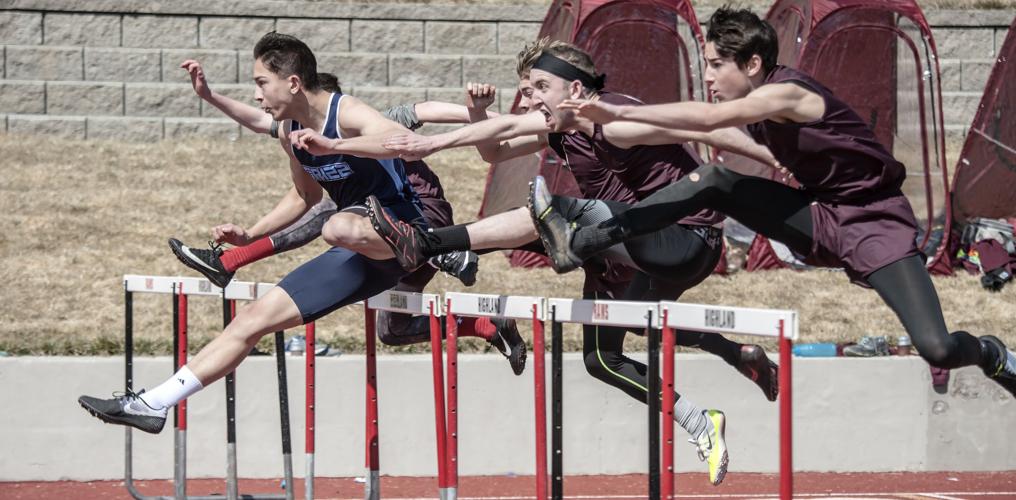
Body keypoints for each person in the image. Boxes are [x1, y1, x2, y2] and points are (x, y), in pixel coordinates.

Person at [338, 38, 785, 485]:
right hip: (615, 242)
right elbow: (494, 147)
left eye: (536, 89)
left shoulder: (615, 120)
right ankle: (705, 412)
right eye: (525, 90)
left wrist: (776, 161)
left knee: (547, 213)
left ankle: (430, 243)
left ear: (573, 89)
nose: (527, 100)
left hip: (677, 237)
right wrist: (473, 113)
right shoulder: (557, 126)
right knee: (603, 358)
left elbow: (706, 126)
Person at [530, 7, 1016, 399]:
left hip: (874, 223)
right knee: (716, 180)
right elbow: (692, 127)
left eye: (716, 64)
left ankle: (992, 353)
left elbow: (712, 118)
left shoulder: (785, 93)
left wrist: (612, 109)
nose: (709, 75)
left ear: (753, 64)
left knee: (937, 346)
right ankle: (596, 235)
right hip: (818, 214)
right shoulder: (763, 99)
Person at [76, 33, 525, 439]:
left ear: (292, 83)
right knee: (251, 319)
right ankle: (153, 403)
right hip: (366, 253)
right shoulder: (291, 133)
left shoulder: (343, 111)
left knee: (337, 225)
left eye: (261, 82)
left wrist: (335, 145)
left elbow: (397, 138)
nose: (257, 93)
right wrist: (248, 232)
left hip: (410, 222)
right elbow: (303, 196)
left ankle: (434, 250)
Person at [167, 60, 523, 365]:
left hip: (420, 213)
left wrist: (502, 120)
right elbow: (262, 123)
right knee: (392, 330)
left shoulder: (368, 122)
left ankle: (443, 251)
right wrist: (209, 96)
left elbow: (428, 109)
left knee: (329, 214)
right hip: (372, 231)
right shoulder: (298, 133)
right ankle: (488, 326)